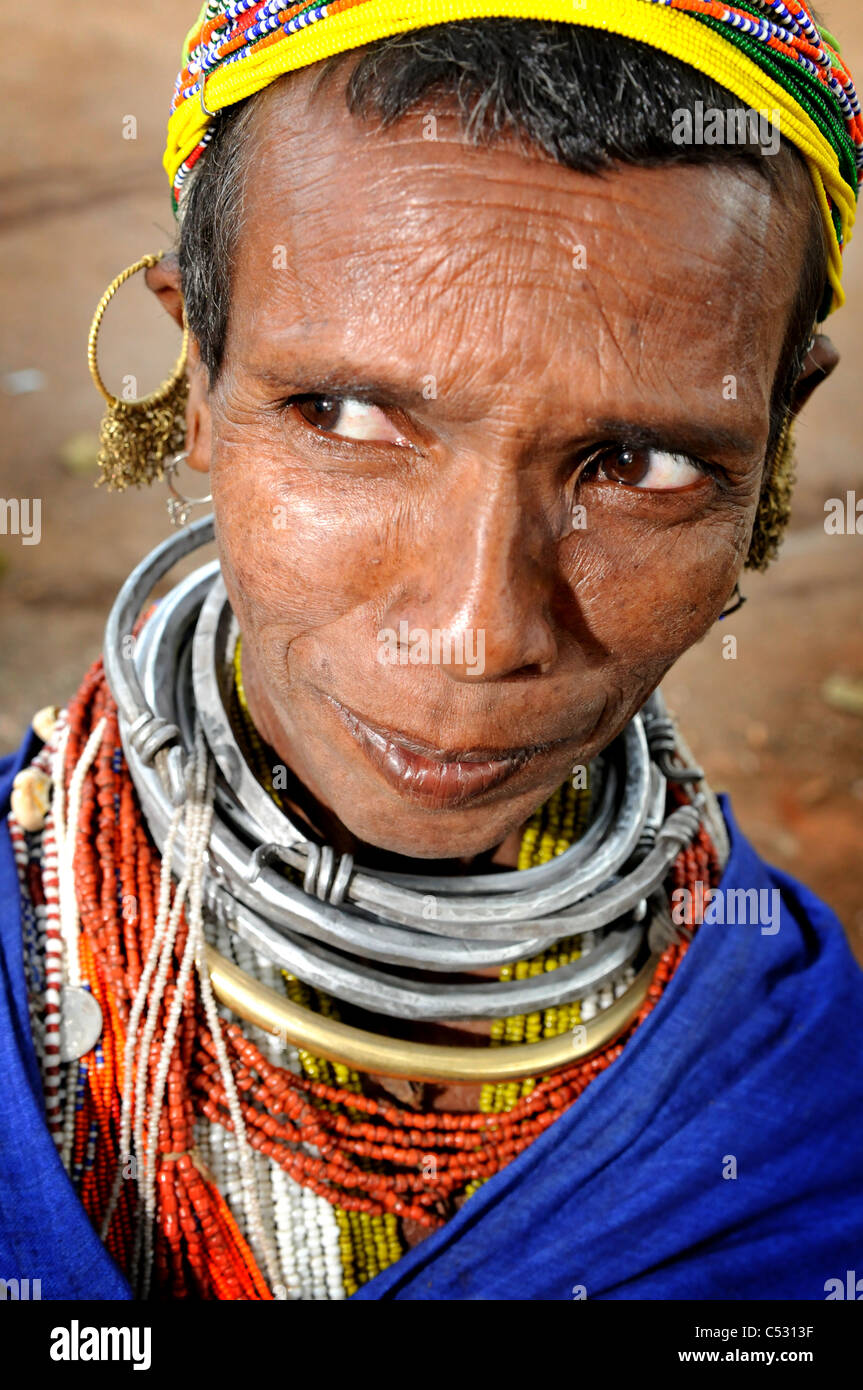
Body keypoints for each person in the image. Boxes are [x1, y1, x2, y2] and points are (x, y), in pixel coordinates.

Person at [1, 0, 862, 1302]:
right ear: (195, 368)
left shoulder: (795, 1102)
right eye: (344, 414)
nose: (480, 632)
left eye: (643, 464)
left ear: (779, 435)